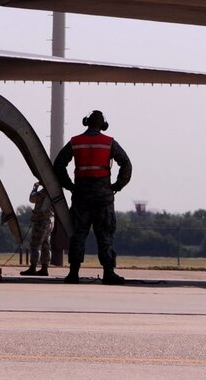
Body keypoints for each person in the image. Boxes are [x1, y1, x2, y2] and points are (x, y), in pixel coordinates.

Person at [53, 109, 132, 285]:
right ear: (103, 124)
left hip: (81, 195)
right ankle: (109, 272)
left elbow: (58, 165)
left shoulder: (76, 142)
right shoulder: (109, 142)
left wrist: (70, 186)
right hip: (103, 196)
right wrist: (117, 185)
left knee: (77, 234)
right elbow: (126, 163)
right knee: (105, 234)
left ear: (86, 122)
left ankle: (73, 273)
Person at [19, 182, 54, 275]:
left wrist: (35, 188)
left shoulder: (44, 192)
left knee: (35, 244)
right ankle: (44, 268)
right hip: (50, 221)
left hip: (41, 220)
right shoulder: (53, 191)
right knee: (46, 245)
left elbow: (32, 198)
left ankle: (33, 267)